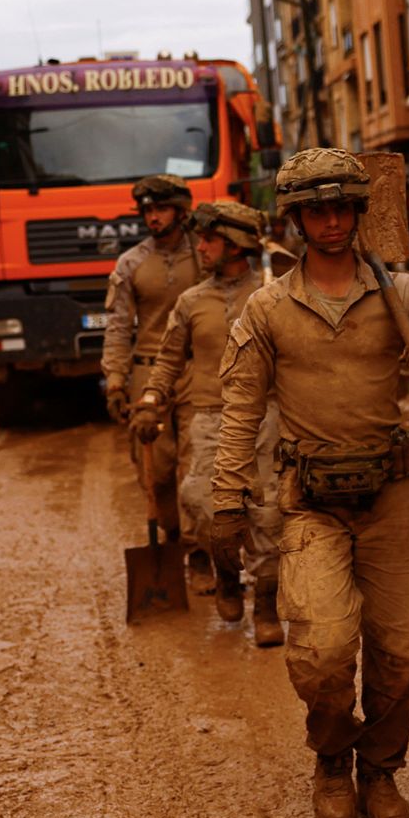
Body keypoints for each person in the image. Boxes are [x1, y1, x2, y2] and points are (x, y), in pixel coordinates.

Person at [212, 148, 409, 818]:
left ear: (360, 214)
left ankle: (382, 771)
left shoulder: (405, 296)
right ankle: (333, 756)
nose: (331, 221)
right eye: (316, 210)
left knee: (399, 649)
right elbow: (240, 409)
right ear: (296, 221)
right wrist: (225, 500)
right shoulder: (268, 309)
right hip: (312, 505)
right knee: (322, 652)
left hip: (392, 499)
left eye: (342, 208)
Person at [132, 201, 284, 644]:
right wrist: (150, 400)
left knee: (267, 514)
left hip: (266, 419)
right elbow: (168, 360)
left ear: (235, 245)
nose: (199, 247)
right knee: (202, 506)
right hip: (209, 418)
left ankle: (268, 608)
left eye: (208, 239)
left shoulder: (274, 297)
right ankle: (226, 574)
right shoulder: (191, 302)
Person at [102, 174, 202, 542]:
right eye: (147, 211)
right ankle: (174, 533)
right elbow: (117, 327)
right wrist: (115, 380)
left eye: (161, 209)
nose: (153, 218)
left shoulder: (204, 256)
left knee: (198, 466)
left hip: (198, 372)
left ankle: (198, 549)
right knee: (157, 472)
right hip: (147, 374)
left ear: (181, 210)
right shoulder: (131, 264)